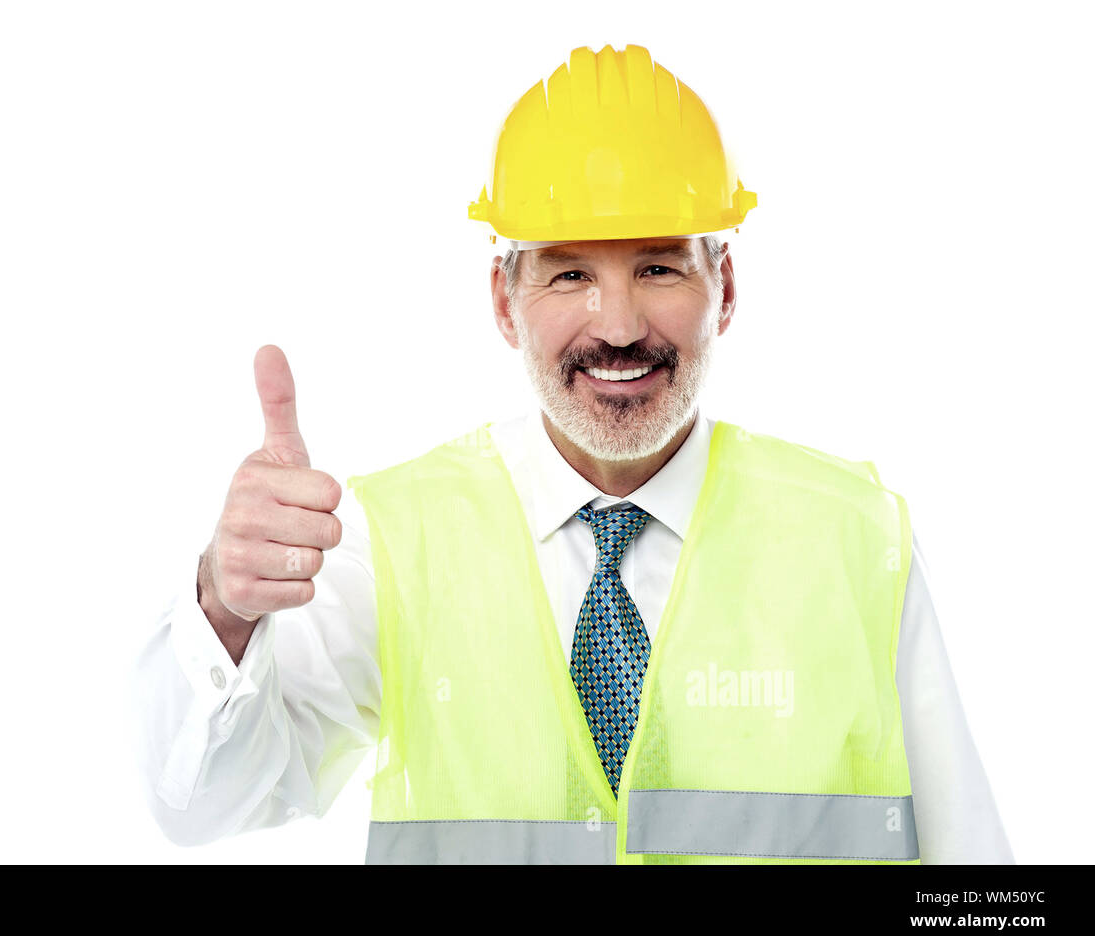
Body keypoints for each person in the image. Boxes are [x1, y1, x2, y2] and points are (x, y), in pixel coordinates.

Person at [131, 43, 1012, 864]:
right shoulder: (392, 539)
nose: (620, 326)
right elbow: (199, 804)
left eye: (660, 268)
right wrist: (224, 607)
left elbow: (978, 884)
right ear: (506, 301)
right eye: (570, 273)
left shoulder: (857, 538)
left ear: (726, 288)